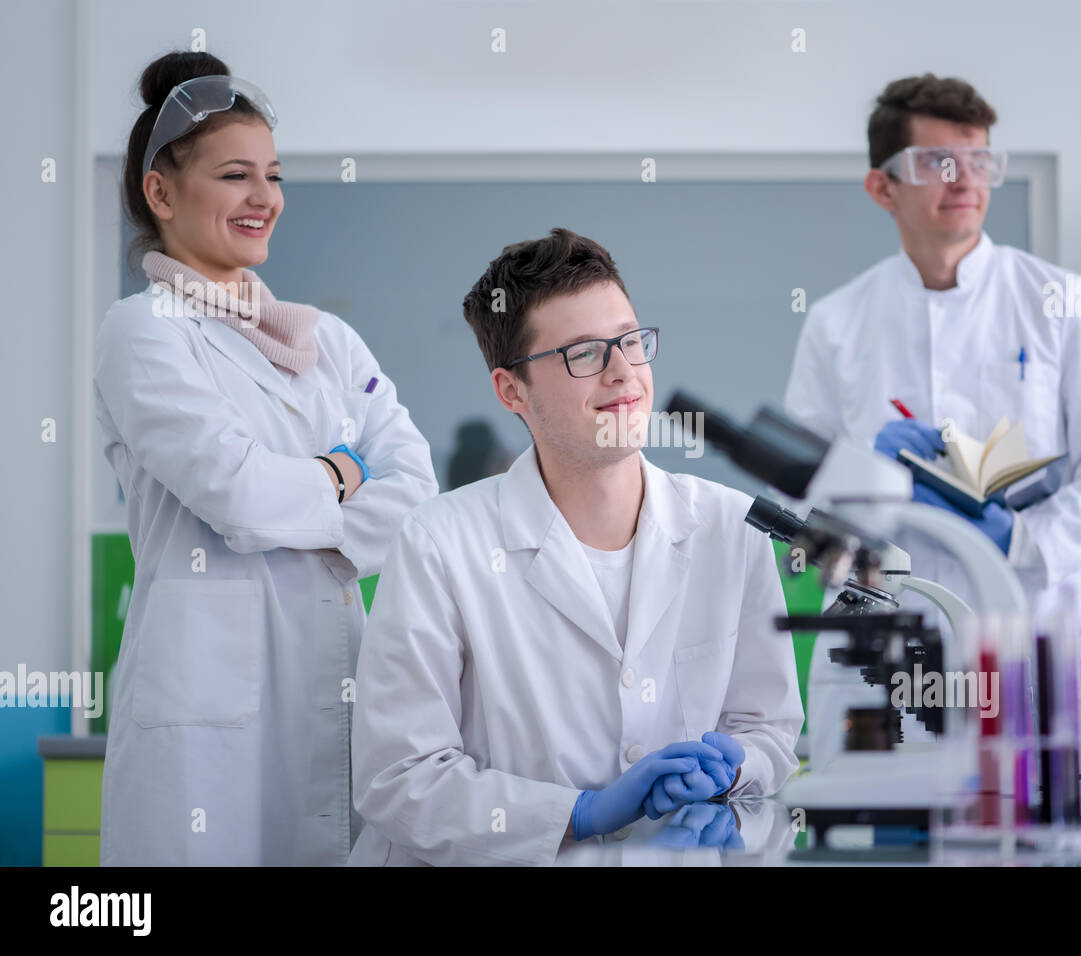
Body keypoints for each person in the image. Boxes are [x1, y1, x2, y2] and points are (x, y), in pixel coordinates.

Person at [348, 228, 803, 865]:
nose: (624, 373)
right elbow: (398, 779)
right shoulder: (440, 544)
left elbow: (769, 732)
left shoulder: (733, 527)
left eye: (631, 341)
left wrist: (737, 766)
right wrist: (580, 813)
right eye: (584, 354)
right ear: (511, 391)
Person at [94, 52, 439, 865]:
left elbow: (417, 493)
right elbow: (237, 494)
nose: (265, 200)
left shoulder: (325, 341)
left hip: (343, 686)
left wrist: (304, 500)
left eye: (274, 176)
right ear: (161, 192)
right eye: (236, 175)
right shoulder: (144, 331)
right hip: (203, 716)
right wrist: (341, 473)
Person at [784, 74, 1081, 646]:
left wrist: (1024, 539)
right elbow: (800, 503)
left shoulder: (1060, 301)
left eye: (979, 160)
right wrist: (862, 473)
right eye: (937, 161)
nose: (965, 180)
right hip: (883, 641)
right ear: (883, 188)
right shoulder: (836, 323)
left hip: (1025, 637)